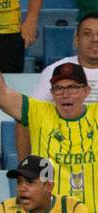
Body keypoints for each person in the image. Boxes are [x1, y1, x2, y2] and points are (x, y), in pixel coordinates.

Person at [0, 37, 98, 213]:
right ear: (51, 92)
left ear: (86, 91)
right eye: (59, 88)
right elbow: (0, 93)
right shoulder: (38, 113)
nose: (65, 94)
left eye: (73, 88)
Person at [16, 13, 98, 170]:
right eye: (87, 34)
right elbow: (26, 119)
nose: (95, 39)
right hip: (61, 158)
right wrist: (25, 169)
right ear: (75, 40)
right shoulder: (56, 71)